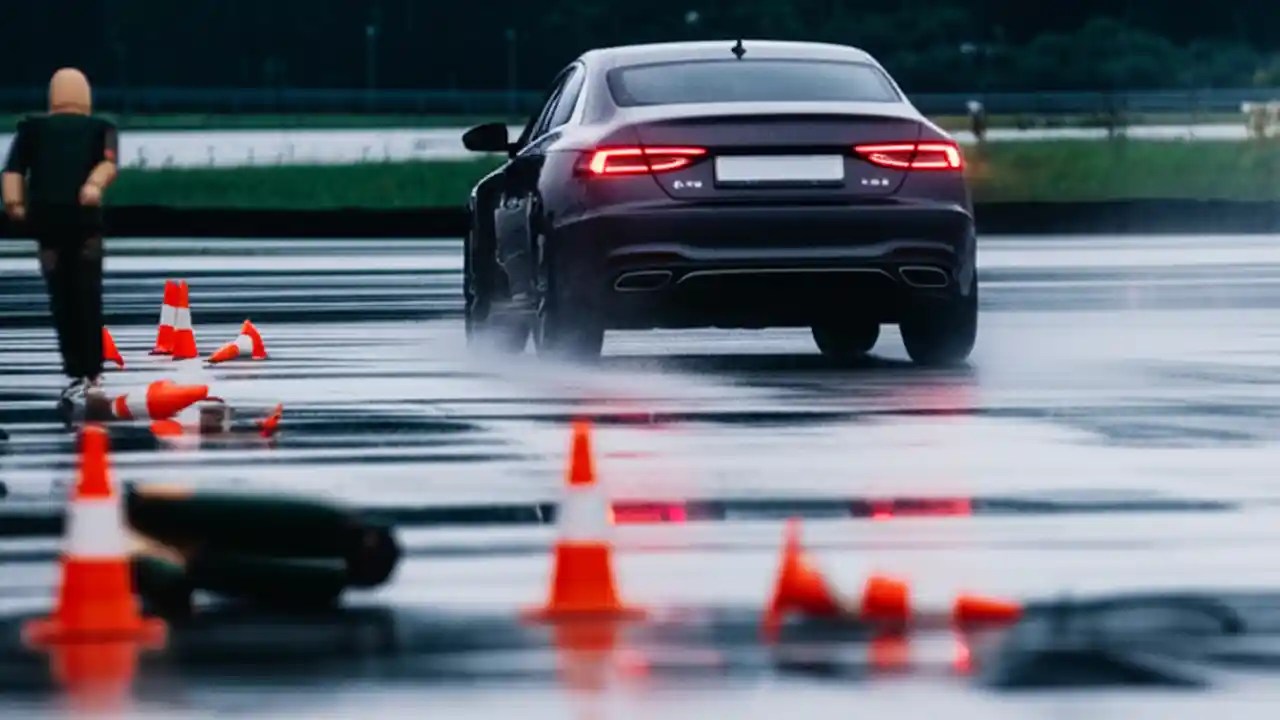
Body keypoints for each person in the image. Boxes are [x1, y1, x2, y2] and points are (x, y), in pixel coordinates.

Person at [2, 68, 119, 401]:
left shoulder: (30, 129)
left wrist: (13, 204)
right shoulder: (102, 128)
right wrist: (94, 184)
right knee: (87, 295)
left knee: (61, 297)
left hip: (46, 224)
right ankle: (91, 370)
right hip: (85, 225)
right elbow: (108, 164)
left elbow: (12, 170)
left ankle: (75, 367)